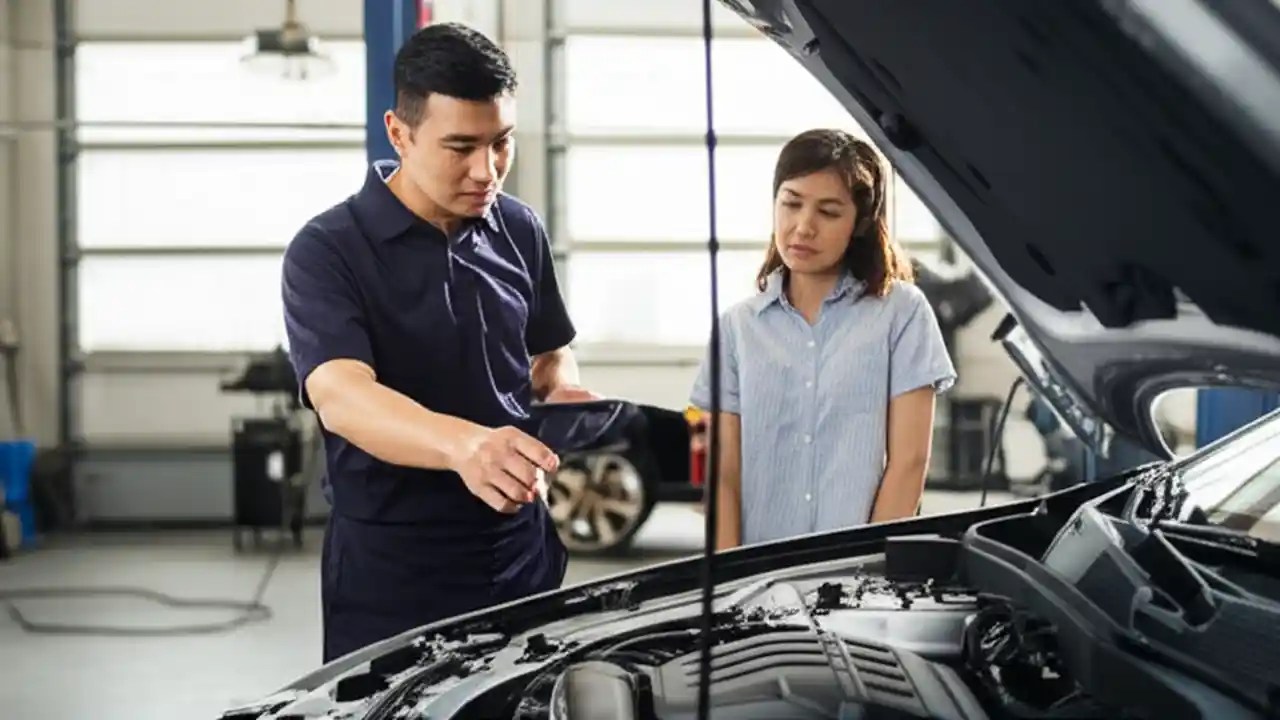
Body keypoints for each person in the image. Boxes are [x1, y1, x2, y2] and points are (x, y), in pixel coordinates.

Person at [281, 22, 598, 662]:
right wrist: (467, 446)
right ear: (399, 133)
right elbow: (342, 394)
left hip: (520, 557)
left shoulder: (517, 227)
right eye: (460, 147)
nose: (487, 171)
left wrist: (562, 395)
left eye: (500, 143)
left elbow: (547, 354)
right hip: (393, 573)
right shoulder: (328, 251)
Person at [689, 129, 957, 550]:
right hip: (756, 577)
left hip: (857, 579)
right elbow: (724, 475)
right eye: (791, 203)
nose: (803, 227)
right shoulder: (736, 328)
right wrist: (728, 581)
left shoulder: (901, 312)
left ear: (861, 223)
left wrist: (864, 572)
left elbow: (909, 462)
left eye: (829, 212)